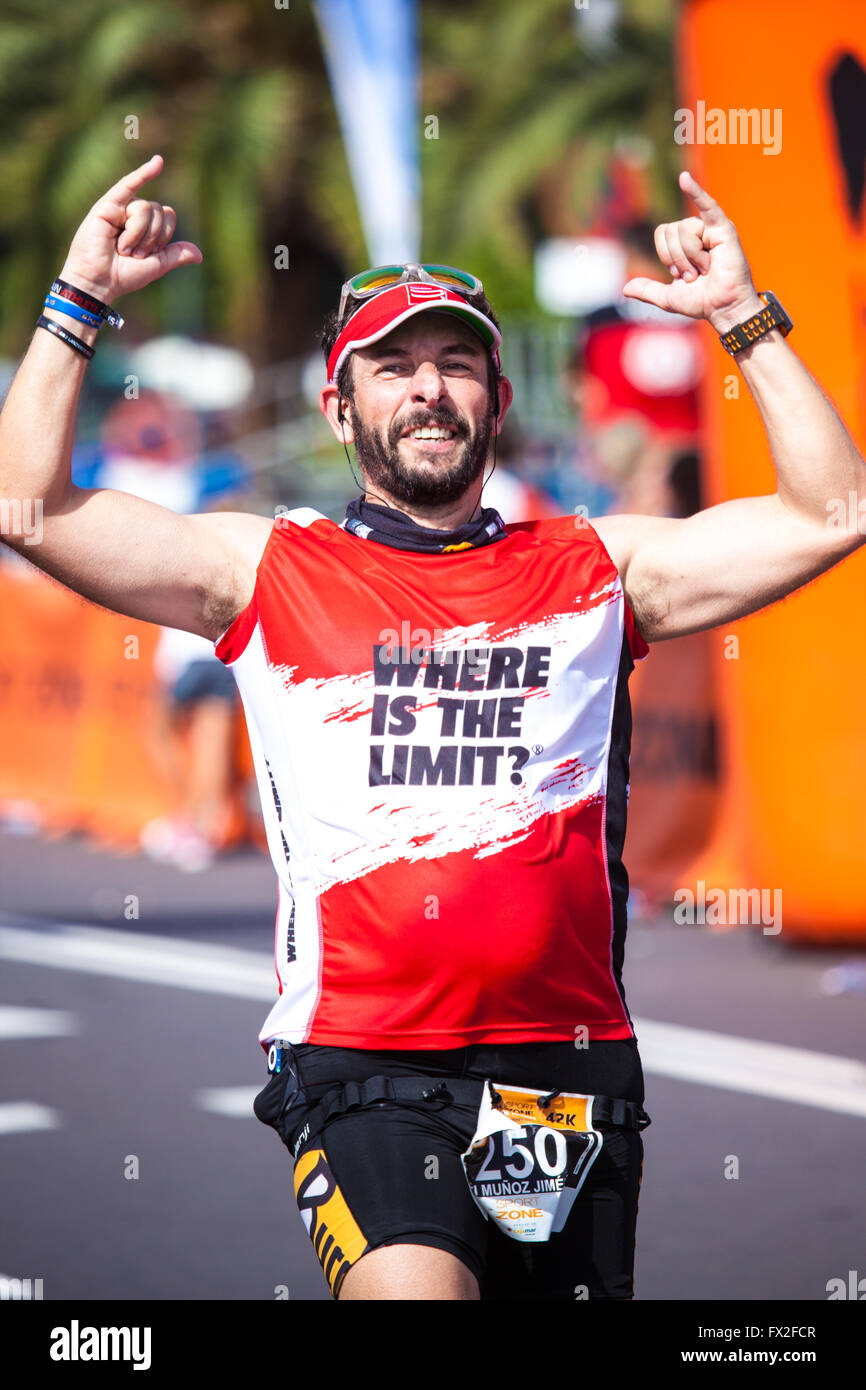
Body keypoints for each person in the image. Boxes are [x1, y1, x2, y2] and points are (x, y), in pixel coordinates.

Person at [1, 155, 863, 1301]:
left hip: (559, 1067)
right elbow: (31, 506)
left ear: (497, 404)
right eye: (392, 365)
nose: (428, 388)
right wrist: (75, 303)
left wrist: (744, 322)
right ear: (337, 402)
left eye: (457, 364)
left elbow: (831, 512)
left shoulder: (596, 565)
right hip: (363, 1064)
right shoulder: (267, 565)